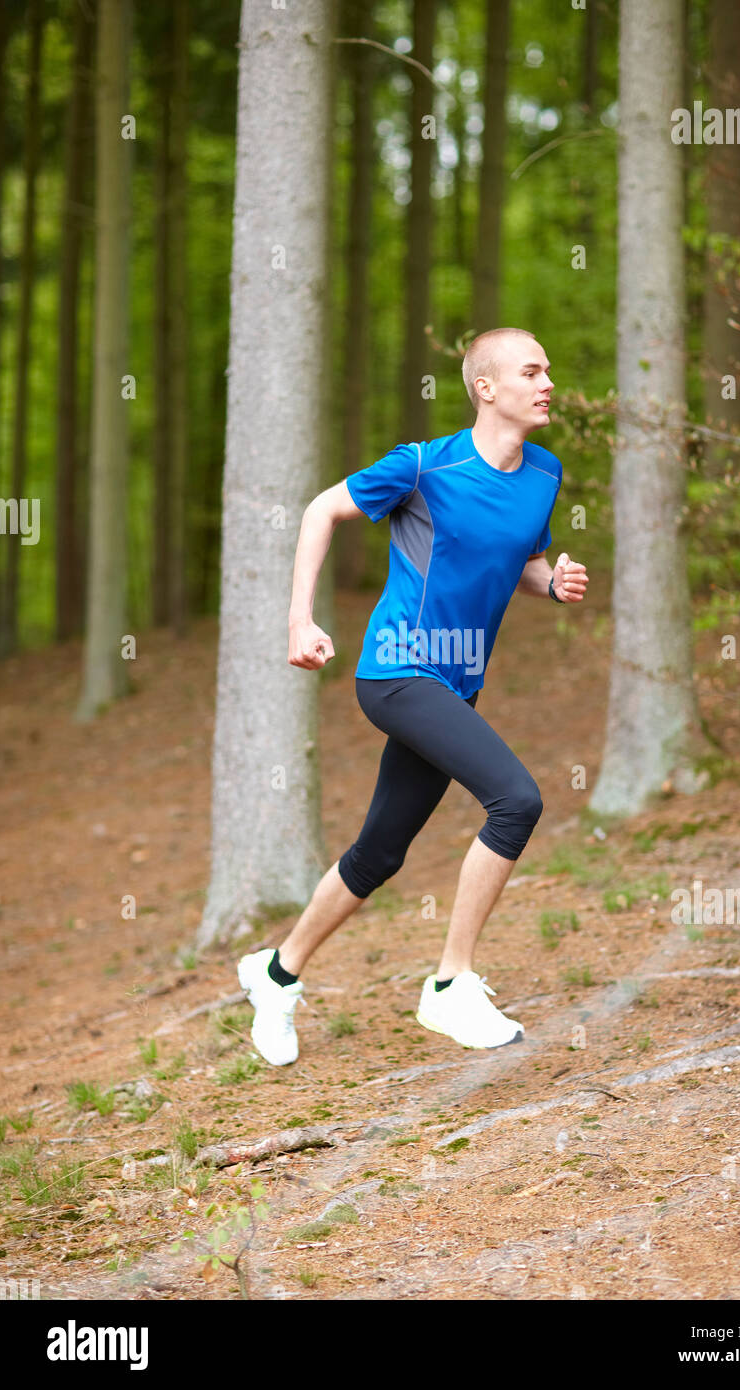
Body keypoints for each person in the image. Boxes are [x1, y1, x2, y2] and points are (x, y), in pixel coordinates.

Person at [237, 328, 588, 1064]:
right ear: (487, 388)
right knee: (516, 801)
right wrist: (301, 618)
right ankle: (449, 986)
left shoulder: (544, 473)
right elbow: (319, 511)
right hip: (397, 671)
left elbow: (520, 558)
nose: (548, 381)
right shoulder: (425, 466)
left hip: (455, 686)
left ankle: (276, 975)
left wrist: (551, 583)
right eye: (533, 370)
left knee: (380, 851)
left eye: (548, 369)